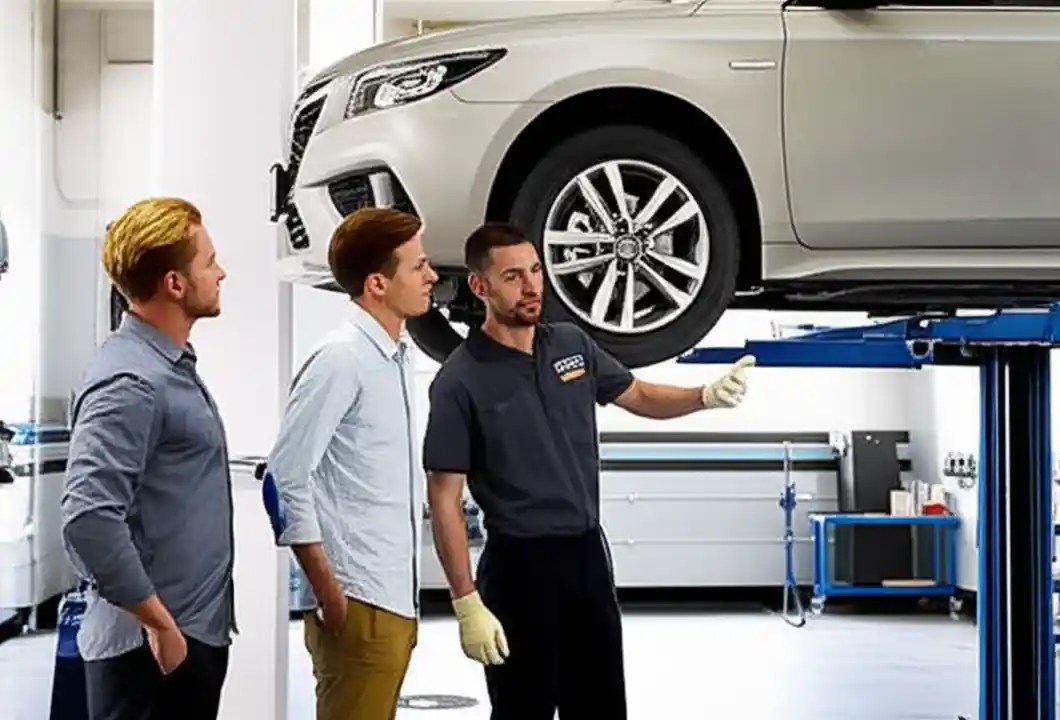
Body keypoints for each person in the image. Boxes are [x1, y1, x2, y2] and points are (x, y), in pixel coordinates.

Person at [422, 222, 755, 720]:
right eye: (513, 276)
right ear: (480, 286)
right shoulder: (459, 380)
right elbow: (443, 496)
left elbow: (637, 394)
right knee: (522, 709)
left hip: (586, 558)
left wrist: (704, 396)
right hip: (519, 568)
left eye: (535, 270)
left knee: (600, 707)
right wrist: (466, 600)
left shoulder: (570, 345)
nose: (532, 286)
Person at [263, 206, 438, 720]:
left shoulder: (395, 357)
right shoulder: (341, 359)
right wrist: (328, 591)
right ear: (377, 285)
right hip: (357, 602)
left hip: (392, 600)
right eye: (418, 266)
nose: (431, 276)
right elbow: (284, 476)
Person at [61, 196, 233, 720]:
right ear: (174, 284)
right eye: (208, 261)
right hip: (151, 651)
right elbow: (88, 518)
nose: (221, 272)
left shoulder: (167, 366)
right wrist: (158, 621)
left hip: (184, 635)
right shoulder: (132, 381)